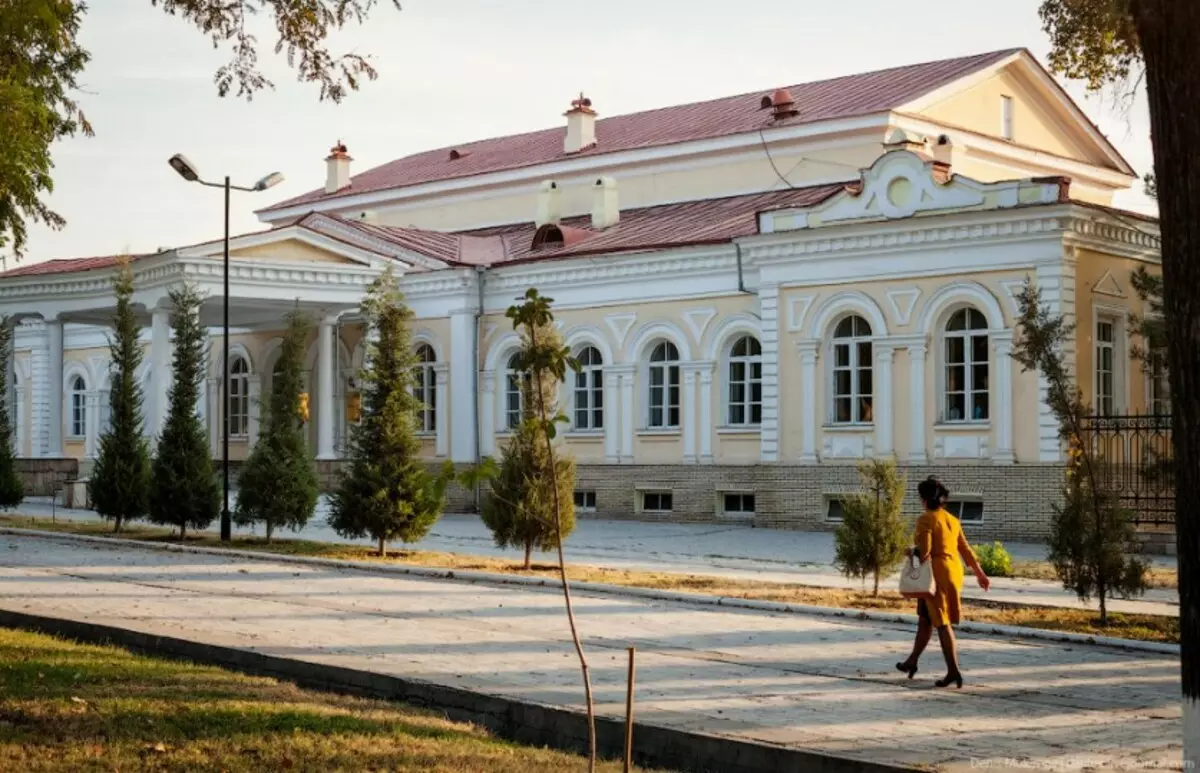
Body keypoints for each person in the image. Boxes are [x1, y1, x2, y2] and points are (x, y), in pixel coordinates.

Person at [895, 476, 990, 688]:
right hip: (953, 573)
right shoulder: (952, 520)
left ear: (924, 499)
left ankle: (953, 671)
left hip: (934, 577)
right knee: (925, 619)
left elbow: (925, 552)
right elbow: (965, 549)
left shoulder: (926, 519)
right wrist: (980, 574)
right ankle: (912, 661)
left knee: (942, 623)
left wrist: (909, 552)